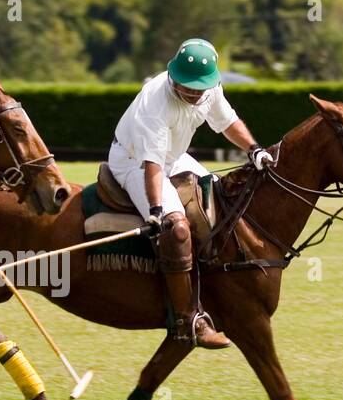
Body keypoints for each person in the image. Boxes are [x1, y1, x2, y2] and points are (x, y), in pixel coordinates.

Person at [108, 38, 276, 348]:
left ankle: (218, 287)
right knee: (178, 228)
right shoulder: (154, 103)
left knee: (222, 198)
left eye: (198, 88)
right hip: (135, 161)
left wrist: (255, 150)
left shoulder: (209, 89)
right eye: (187, 87)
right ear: (174, 76)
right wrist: (157, 211)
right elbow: (154, 163)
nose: (193, 93)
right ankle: (188, 321)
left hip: (173, 156)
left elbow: (227, 122)